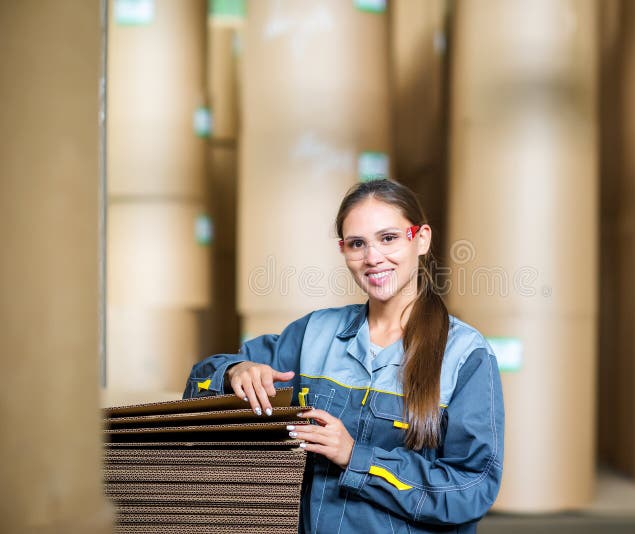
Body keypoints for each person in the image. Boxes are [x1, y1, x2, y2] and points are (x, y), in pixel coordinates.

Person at [184, 178, 504, 533]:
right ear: (343, 250)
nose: (372, 258)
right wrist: (235, 371)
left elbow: (471, 488)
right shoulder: (314, 334)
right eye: (356, 244)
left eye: (388, 238)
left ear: (421, 238)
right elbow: (200, 383)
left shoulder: (465, 355)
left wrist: (356, 457)